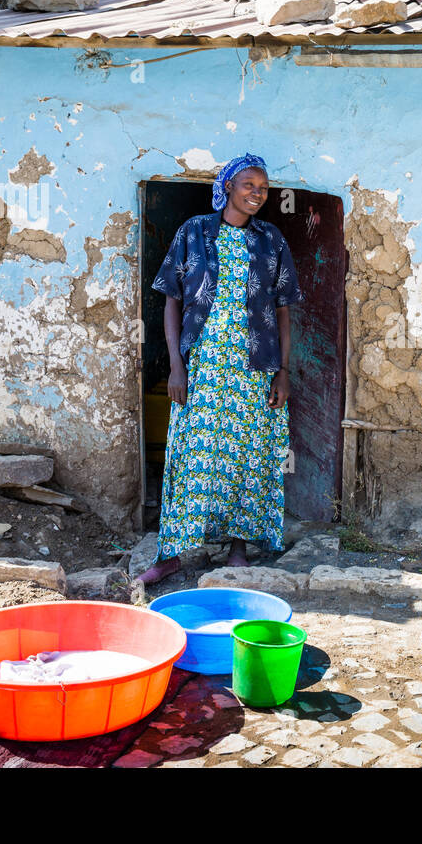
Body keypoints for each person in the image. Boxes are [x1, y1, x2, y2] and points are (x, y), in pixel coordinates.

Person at [137, 152, 304, 584]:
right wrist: (177, 365)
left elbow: (284, 309)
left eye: (263, 188)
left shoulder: (271, 240)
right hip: (204, 367)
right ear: (227, 185)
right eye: (249, 184)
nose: (257, 193)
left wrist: (283, 370)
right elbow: (172, 299)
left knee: (249, 454)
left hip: (255, 368)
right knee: (191, 453)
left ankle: (237, 547)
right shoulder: (194, 232)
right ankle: (171, 552)